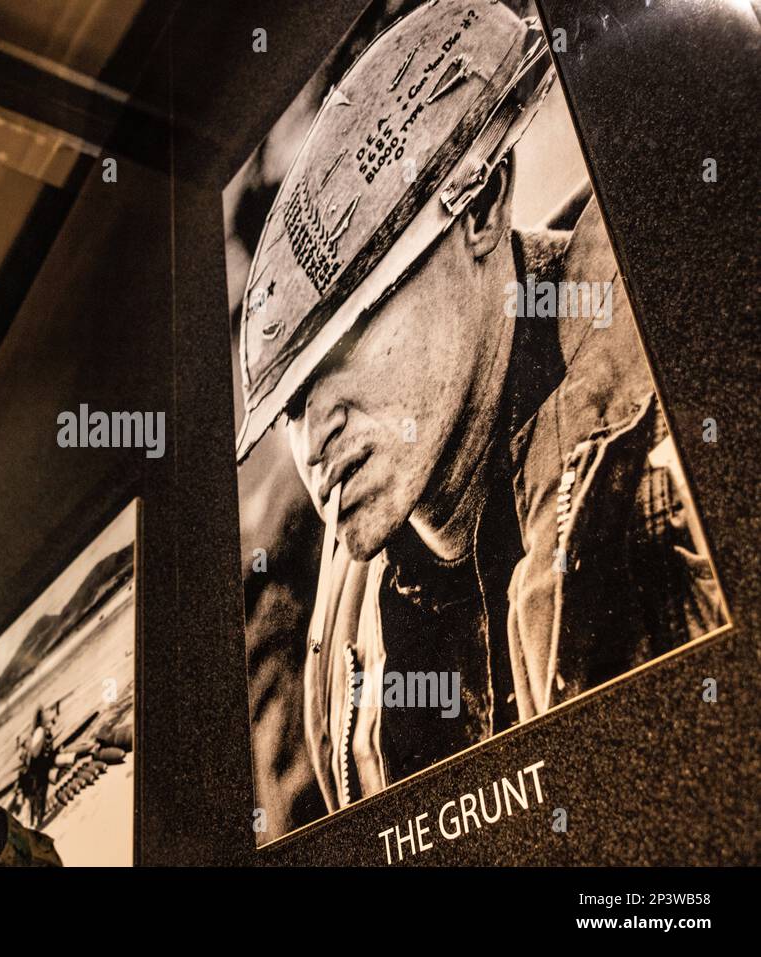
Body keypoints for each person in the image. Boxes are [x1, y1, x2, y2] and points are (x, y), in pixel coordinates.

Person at [234, 0, 726, 814]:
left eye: (351, 328)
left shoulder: (663, 422)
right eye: (288, 401)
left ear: (482, 208)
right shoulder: (341, 628)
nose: (313, 439)